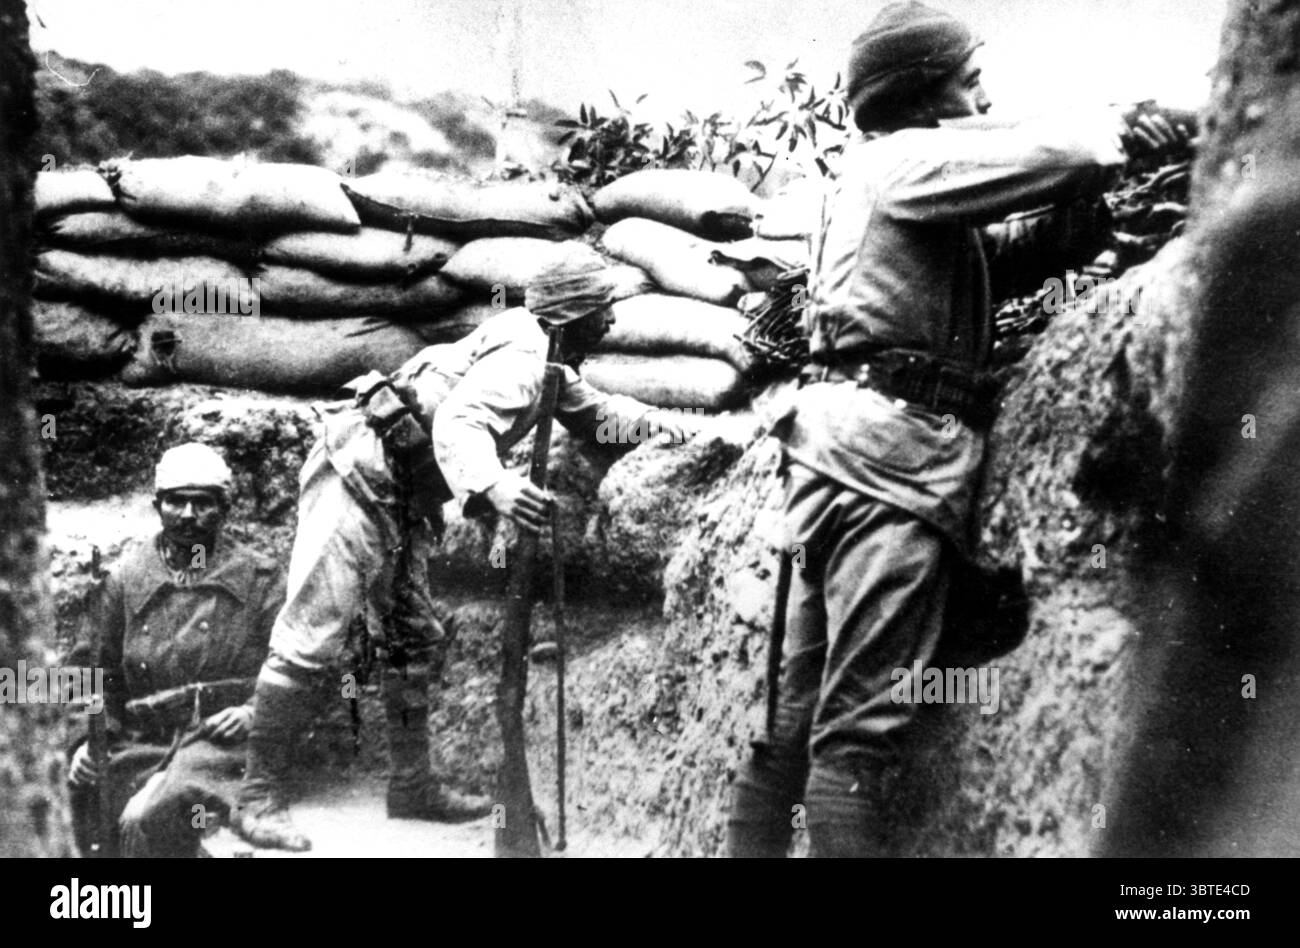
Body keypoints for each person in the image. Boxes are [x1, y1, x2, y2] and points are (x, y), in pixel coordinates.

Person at [726, 1, 1189, 857]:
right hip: (888, 463)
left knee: (790, 723)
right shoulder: (904, 163)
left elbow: (1003, 257)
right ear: (922, 95)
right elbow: (1071, 149)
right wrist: (1129, 130)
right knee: (857, 736)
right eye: (970, 82)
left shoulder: (883, 182)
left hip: (839, 452)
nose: (985, 98)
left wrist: (1084, 211)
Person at [233, 251, 699, 851]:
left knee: (411, 636)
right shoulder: (526, 362)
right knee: (312, 634)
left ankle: (411, 785)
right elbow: (458, 420)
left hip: (401, 491)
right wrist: (497, 484)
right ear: (573, 314)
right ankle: (257, 796)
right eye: (602, 311)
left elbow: (599, 414)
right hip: (357, 475)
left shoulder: (547, 358)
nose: (610, 324)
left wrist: (671, 425)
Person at [65, 442, 285, 858]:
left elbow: (296, 668)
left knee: (153, 815)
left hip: (225, 747)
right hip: (140, 741)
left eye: (202, 503)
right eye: (175, 502)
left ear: (225, 507)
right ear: (157, 505)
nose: (187, 515)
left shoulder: (261, 580)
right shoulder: (125, 581)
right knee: (85, 802)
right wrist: (83, 743)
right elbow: (89, 673)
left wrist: (253, 711)